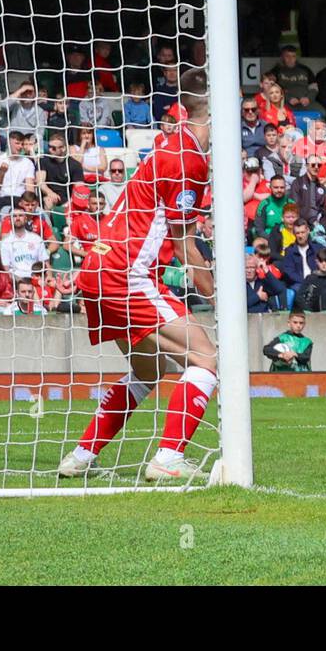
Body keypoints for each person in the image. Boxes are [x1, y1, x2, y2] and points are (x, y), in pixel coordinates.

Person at [59, 69, 219, 483]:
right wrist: (218, 295)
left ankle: (80, 457)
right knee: (205, 357)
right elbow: (184, 243)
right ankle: (167, 458)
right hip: (125, 274)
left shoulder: (172, 146)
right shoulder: (189, 160)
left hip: (96, 269)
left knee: (148, 372)